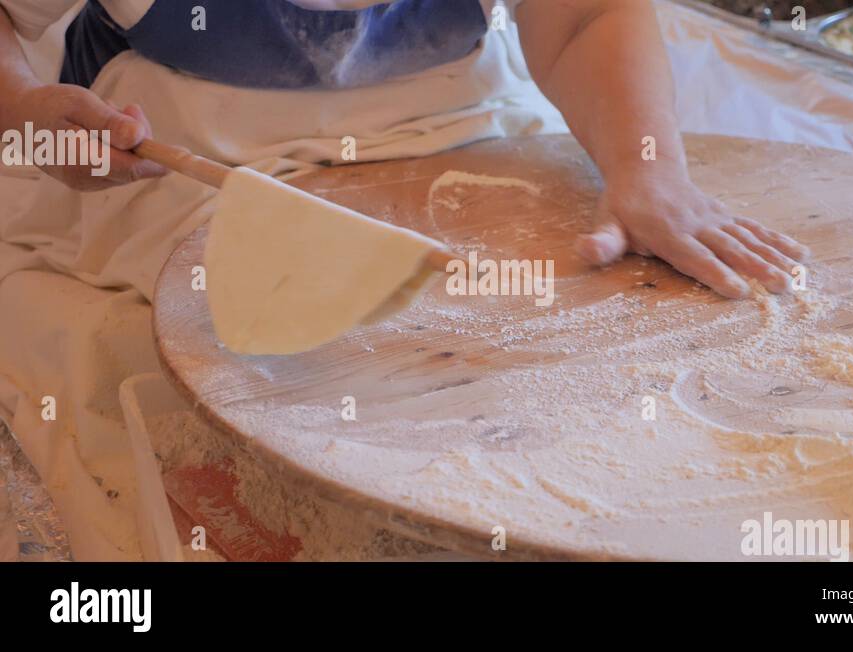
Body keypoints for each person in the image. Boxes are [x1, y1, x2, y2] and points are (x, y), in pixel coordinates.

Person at [0, 0, 808, 559]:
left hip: (460, 120)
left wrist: (649, 167)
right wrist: (26, 108)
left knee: (574, 343)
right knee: (327, 384)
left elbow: (583, 16)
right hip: (199, 155)